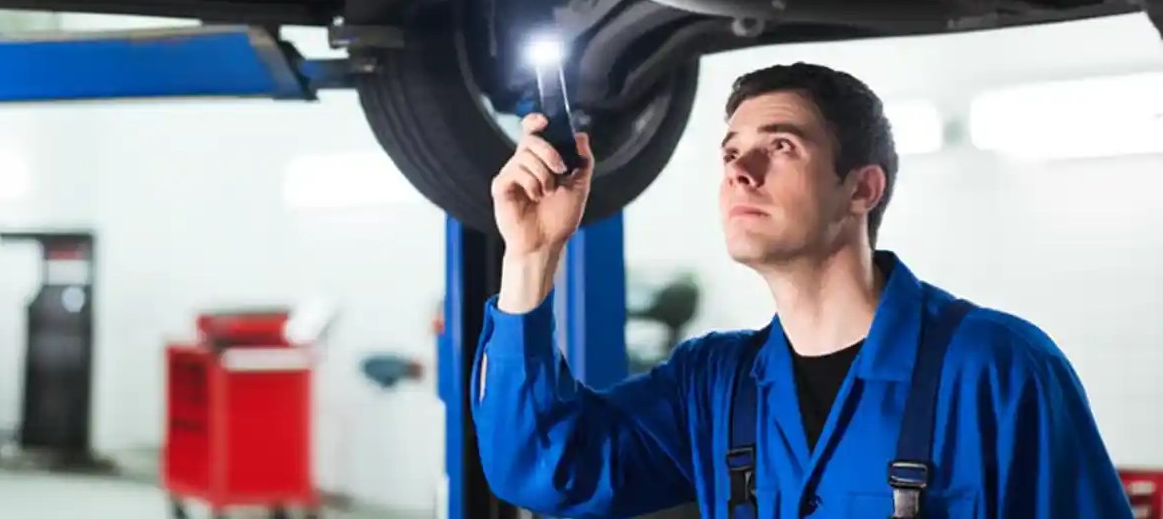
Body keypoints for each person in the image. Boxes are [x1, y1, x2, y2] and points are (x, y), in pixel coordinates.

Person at [471, 62, 1132, 518]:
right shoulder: (714, 384)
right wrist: (533, 254)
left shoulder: (996, 367)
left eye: (780, 146)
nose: (741, 172)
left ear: (861, 189)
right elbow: (544, 468)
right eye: (730, 154)